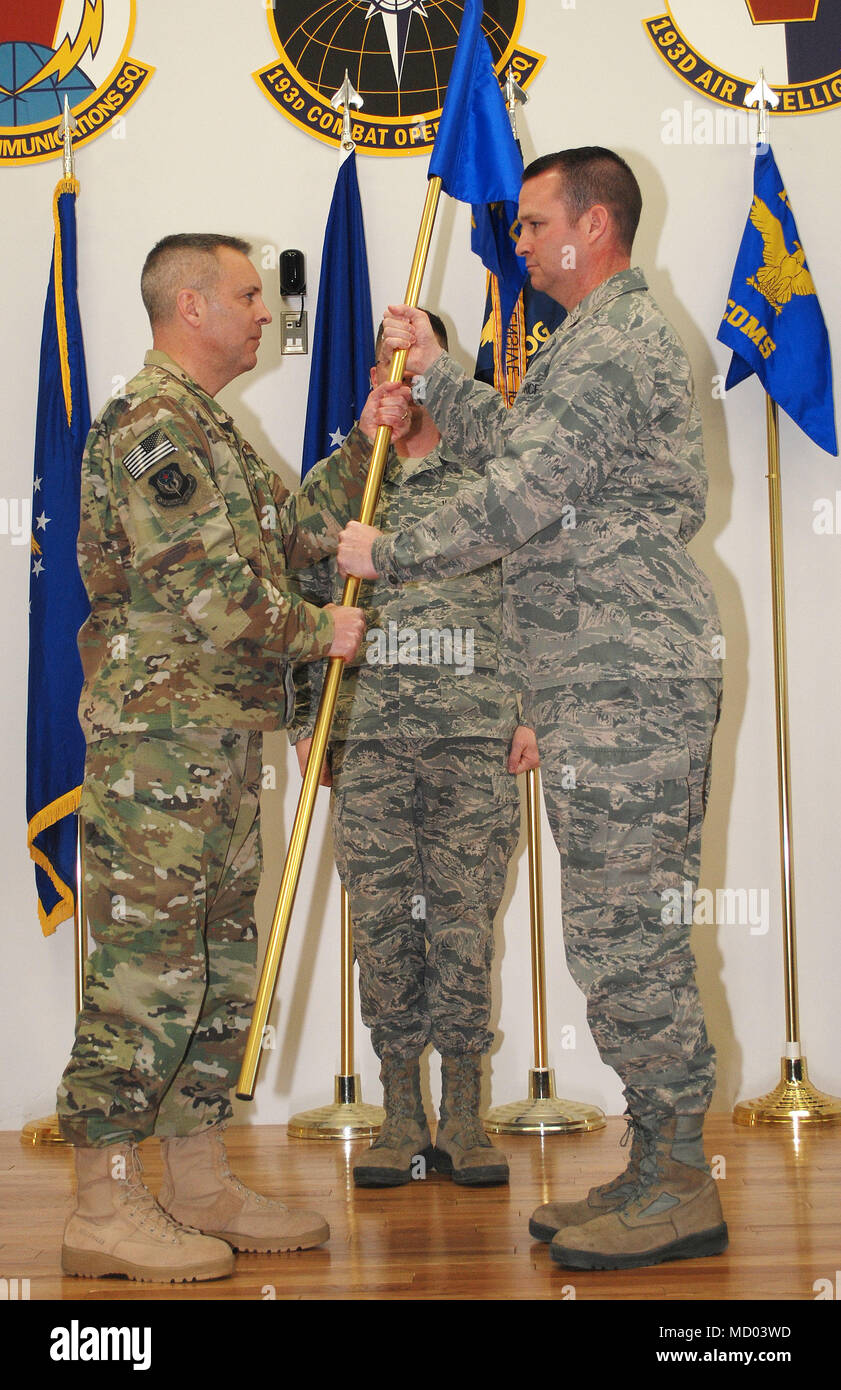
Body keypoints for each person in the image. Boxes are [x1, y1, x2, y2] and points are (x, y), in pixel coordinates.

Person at [337, 149, 727, 1271]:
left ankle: (678, 1182)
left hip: (626, 684)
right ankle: (659, 1163)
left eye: (534, 223)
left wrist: (391, 548)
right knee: (618, 930)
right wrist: (439, 374)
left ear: (593, 227)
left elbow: (517, 497)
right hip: (600, 684)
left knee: (629, 935)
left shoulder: (613, 344)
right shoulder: (588, 343)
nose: (519, 242)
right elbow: (519, 446)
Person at [57, 233, 371, 1284]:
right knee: (144, 974)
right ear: (191, 306)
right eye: (245, 294)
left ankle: (196, 1178)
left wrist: (369, 438)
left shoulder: (212, 431)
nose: (263, 312)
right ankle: (102, 1201)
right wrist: (317, 631)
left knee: (218, 970)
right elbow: (210, 590)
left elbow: (288, 537)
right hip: (161, 750)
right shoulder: (151, 425)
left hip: (219, 744)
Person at [291, 315, 539, 1188]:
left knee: (466, 927)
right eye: (384, 369)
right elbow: (296, 589)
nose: (398, 384)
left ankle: (464, 1113)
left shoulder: (488, 477)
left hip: (475, 737)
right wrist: (302, 726)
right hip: (367, 742)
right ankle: (401, 1112)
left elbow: (535, 596)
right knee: (386, 929)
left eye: (414, 366)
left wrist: (533, 708)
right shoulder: (342, 485)